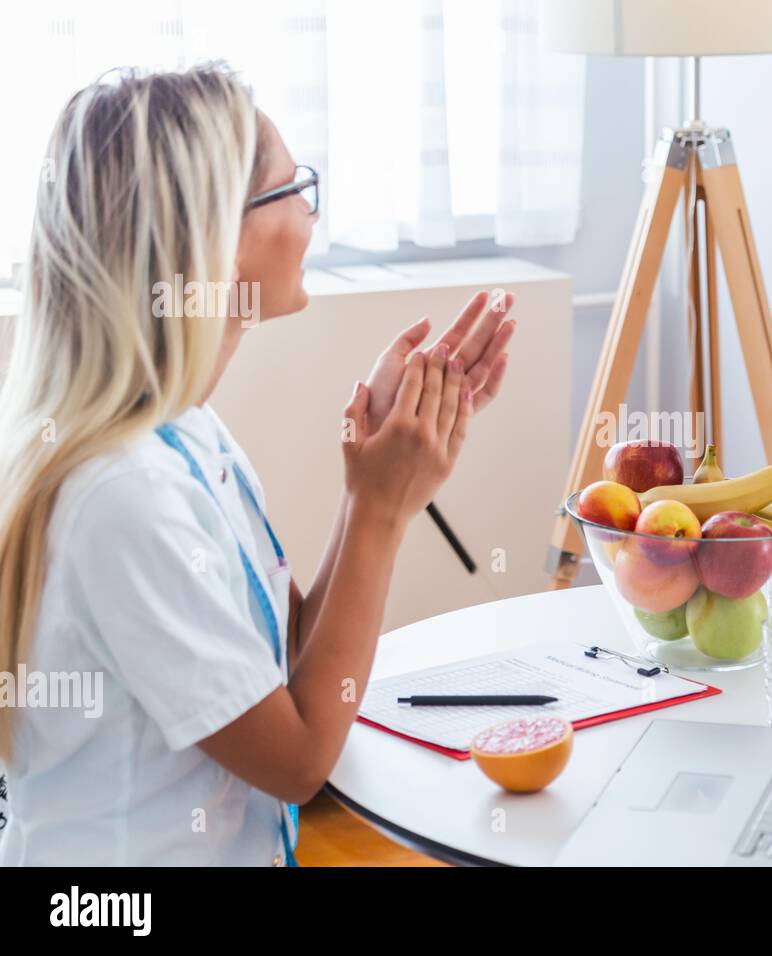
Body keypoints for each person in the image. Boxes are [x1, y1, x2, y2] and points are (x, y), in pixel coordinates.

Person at [0, 64, 516, 865]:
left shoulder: (187, 433)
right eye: (292, 187)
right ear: (212, 235)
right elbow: (299, 763)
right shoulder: (123, 497)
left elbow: (282, 669)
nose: (311, 210)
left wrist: (375, 488)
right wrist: (381, 511)